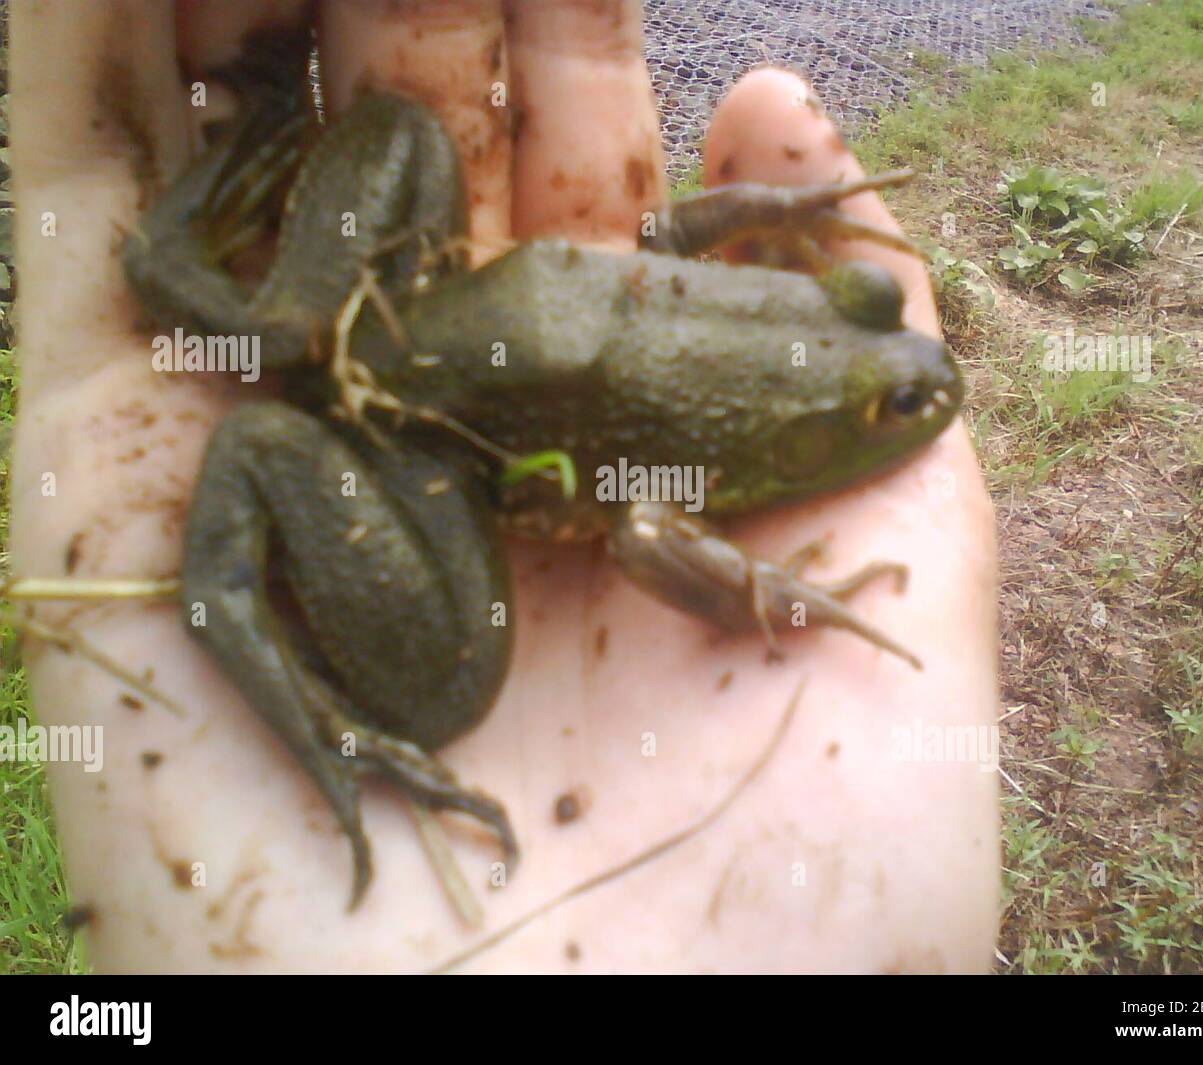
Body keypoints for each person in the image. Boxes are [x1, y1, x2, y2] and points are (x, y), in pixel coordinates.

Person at [7, 0, 999, 973]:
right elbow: (646, 520)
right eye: (856, 295)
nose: (874, 306)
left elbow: (654, 274)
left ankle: (235, 274)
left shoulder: (723, 382)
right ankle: (238, 418)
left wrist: (762, 217)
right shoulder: (719, 440)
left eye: (882, 394)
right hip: (412, 407)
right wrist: (762, 593)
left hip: (426, 318)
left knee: (403, 131)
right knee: (449, 685)